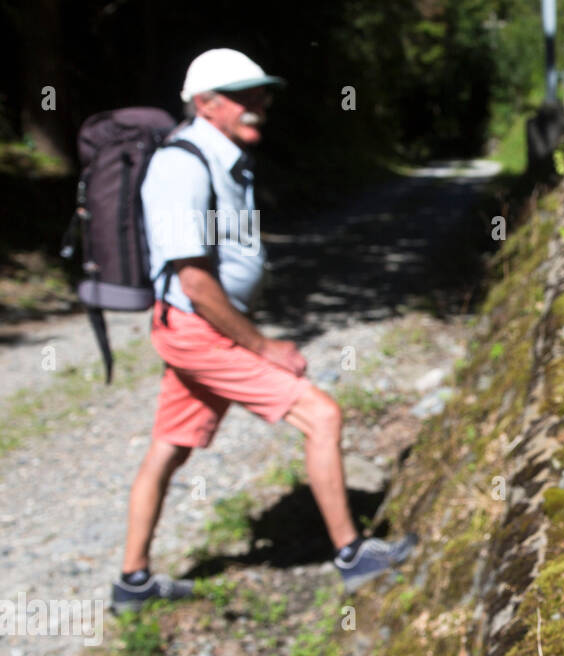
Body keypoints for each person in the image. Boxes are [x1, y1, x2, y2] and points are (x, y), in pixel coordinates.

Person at [112, 48, 416, 612]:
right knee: (322, 414)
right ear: (205, 103)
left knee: (170, 447)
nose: (260, 104)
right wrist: (263, 345)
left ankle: (133, 583)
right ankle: (354, 556)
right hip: (198, 331)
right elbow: (197, 282)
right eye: (244, 95)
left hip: (196, 330)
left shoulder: (225, 157)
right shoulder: (183, 164)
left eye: (262, 93)